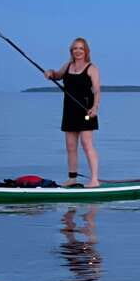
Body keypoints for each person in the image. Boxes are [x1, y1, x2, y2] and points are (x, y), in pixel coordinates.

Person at [44, 37, 101, 187]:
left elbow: (96, 90)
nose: (78, 51)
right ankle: (72, 178)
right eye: (75, 48)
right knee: (70, 146)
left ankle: (94, 179)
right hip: (69, 111)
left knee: (87, 144)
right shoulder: (68, 66)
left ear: (86, 51)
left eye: (81, 48)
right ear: (71, 51)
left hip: (86, 111)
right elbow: (57, 75)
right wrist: (50, 72)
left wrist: (95, 107)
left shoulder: (92, 68)